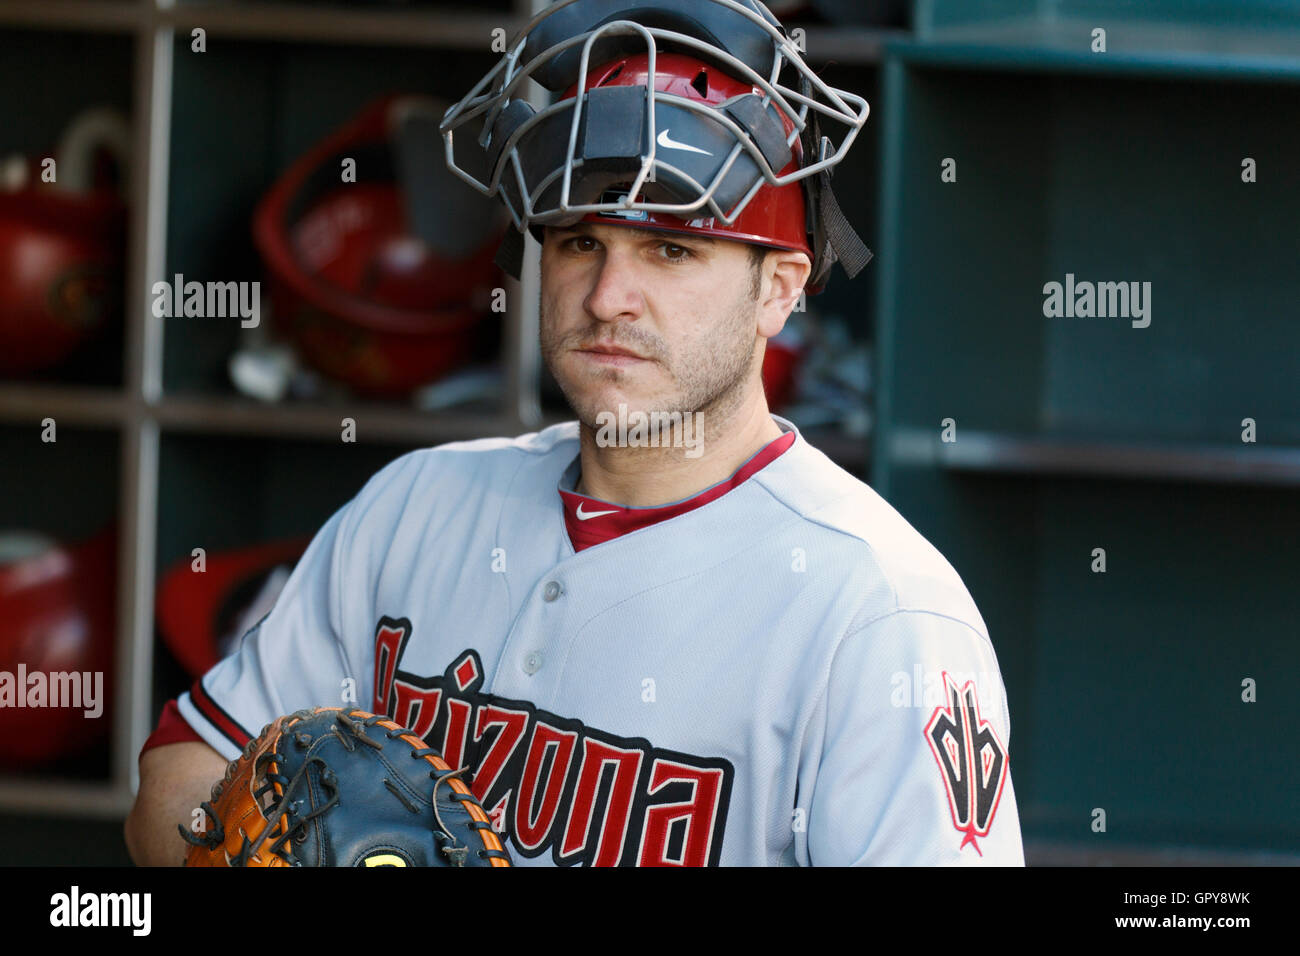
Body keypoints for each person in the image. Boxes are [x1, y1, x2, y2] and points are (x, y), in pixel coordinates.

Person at [125, 0, 1024, 866]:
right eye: (578, 242)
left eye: (672, 250)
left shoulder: (879, 612)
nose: (606, 297)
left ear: (780, 288)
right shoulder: (416, 506)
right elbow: (178, 772)